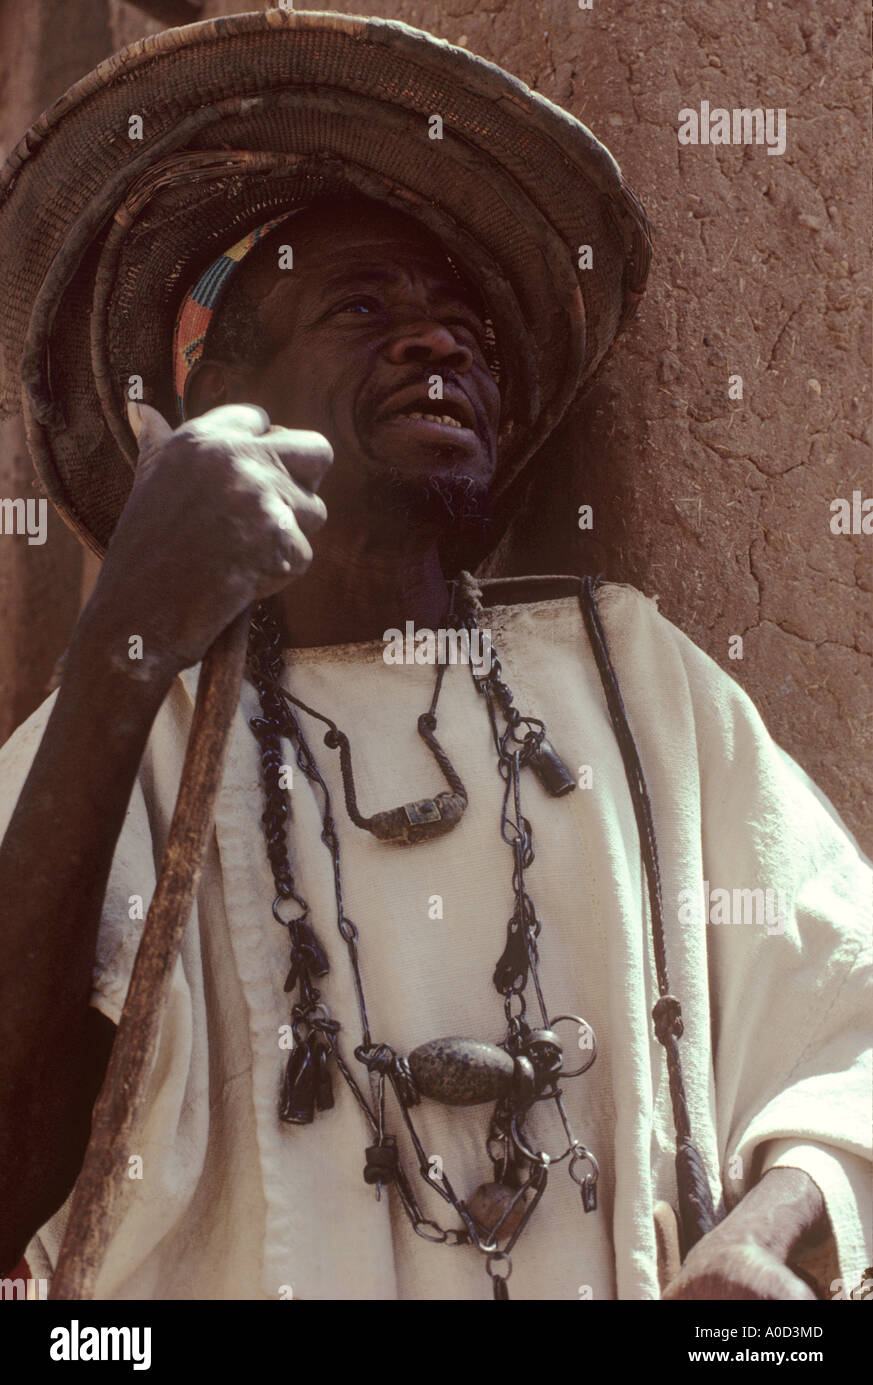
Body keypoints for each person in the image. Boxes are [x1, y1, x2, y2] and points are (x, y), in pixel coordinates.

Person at [0, 12, 868, 1302]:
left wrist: (771, 1230)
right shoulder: (130, 728)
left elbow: (850, 1026)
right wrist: (127, 637)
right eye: (359, 305)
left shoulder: (628, 673)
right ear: (212, 408)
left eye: (465, 323)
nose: (437, 339)